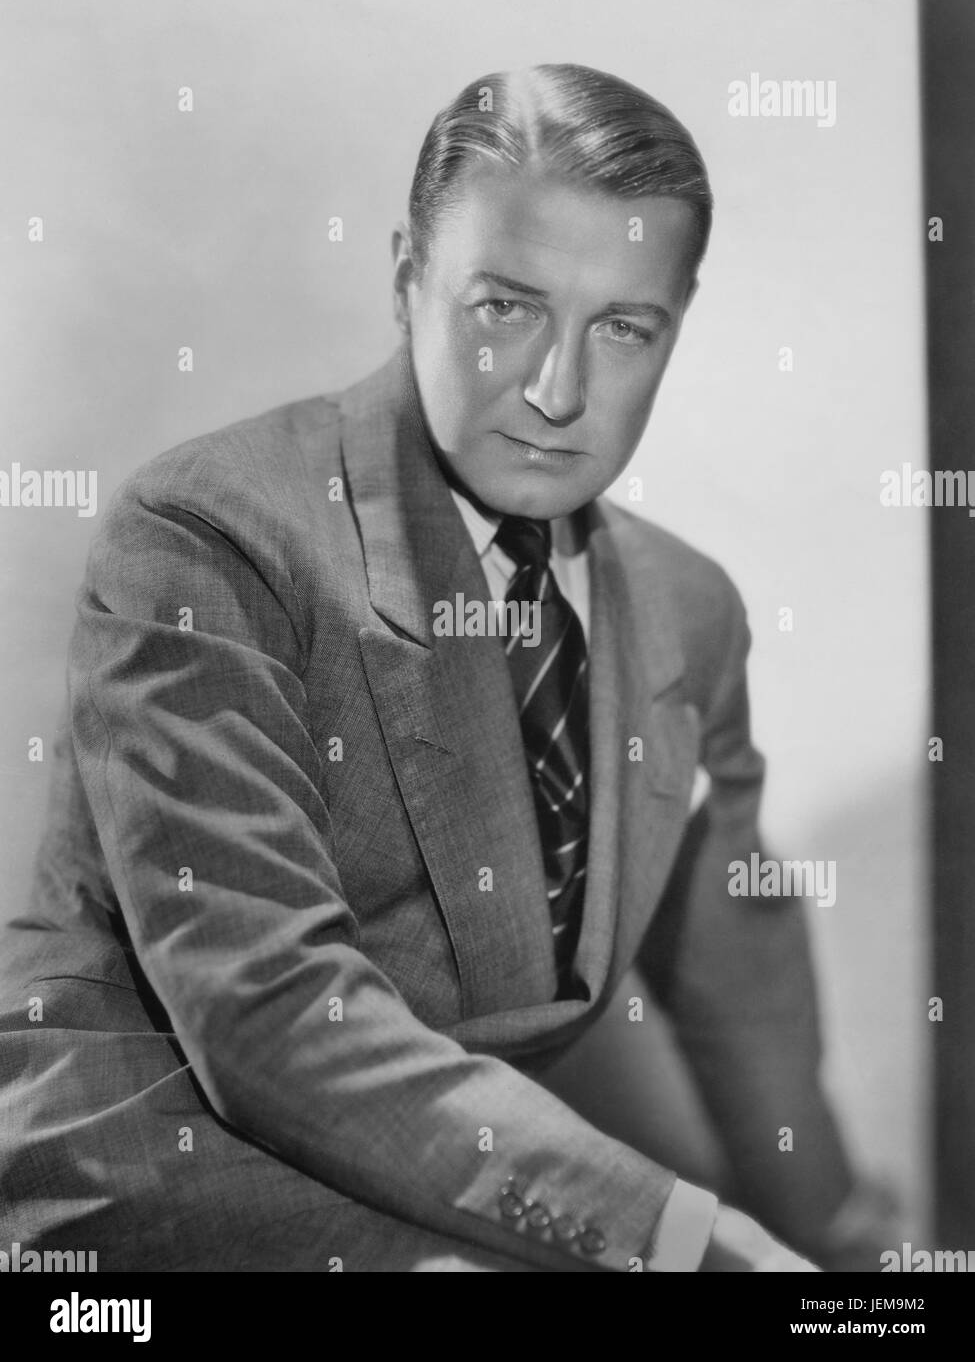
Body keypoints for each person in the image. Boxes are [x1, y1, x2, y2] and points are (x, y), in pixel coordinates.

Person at [0, 63, 885, 1272]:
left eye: (623, 328)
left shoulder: (690, 610)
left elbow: (743, 986)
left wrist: (849, 1246)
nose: (559, 393)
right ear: (408, 271)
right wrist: (681, 1234)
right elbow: (267, 1013)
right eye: (504, 307)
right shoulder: (211, 532)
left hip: (458, 1198)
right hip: (154, 1203)